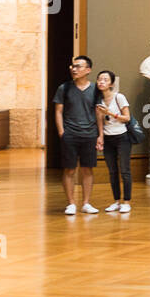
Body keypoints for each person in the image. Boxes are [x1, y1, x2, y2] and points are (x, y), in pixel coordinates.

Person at [54, 55, 103, 215]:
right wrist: (62, 132)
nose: (74, 69)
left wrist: (100, 134)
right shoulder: (65, 88)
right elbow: (58, 111)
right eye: (73, 66)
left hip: (89, 134)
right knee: (69, 170)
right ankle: (71, 203)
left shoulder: (95, 89)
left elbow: (98, 113)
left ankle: (86, 203)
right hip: (70, 134)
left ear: (88, 70)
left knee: (87, 169)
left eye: (78, 66)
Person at [96, 70, 133, 213]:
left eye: (105, 80)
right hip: (108, 137)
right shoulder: (98, 100)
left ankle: (126, 202)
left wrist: (110, 113)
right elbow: (99, 120)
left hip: (122, 136)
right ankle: (116, 201)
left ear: (111, 83)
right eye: (99, 79)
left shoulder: (119, 97)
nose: (101, 82)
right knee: (112, 171)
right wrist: (100, 136)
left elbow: (127, 118)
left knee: (125, 170)